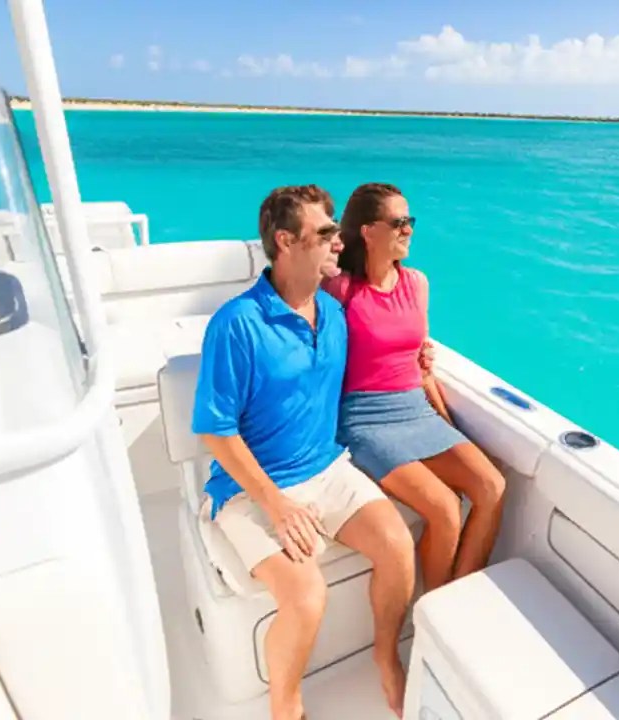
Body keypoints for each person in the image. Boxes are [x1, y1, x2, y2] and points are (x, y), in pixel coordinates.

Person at [191, 184, 415, 720]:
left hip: (328, 470)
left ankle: (386, 658)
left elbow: (375, 367)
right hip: (251, 491)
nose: (340, 243)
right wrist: (276, 504)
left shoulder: (333, 316)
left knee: (398, 548)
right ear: (286, 242)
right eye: (326, 233)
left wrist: (420, 363)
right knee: (307, 597)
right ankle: (285, 707)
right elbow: (215, 431)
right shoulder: (236, 323)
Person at [321, 182, 507, 594]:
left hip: (416, 411)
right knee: (444, 508)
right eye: (400, 222)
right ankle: (432, 608)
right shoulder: (340, 290)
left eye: (411, 221)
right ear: (368, 231)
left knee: (492, 487)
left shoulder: (417, 284)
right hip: (364, 419)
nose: (409, 230)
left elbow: (421, 367)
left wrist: (450, 424)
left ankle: (455, 601)